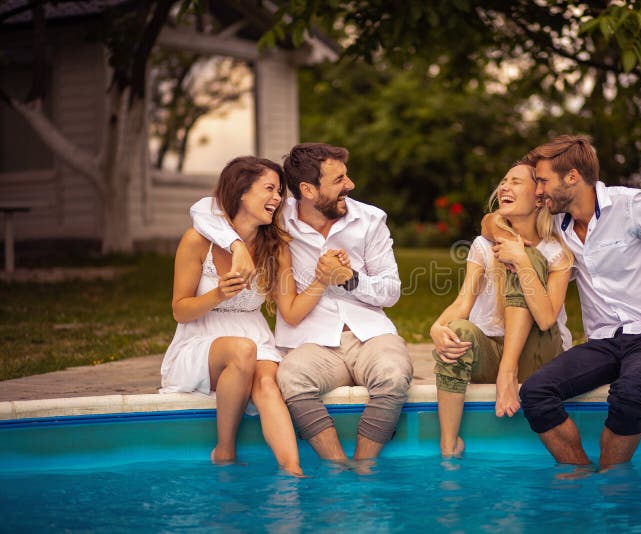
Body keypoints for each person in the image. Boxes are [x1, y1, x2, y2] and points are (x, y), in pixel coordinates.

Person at [190, 143, 413, 466]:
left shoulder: (370, 220)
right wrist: (236, 245)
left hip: (370, 335)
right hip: (311, 342)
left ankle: (365, 468)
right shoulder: (279, 219)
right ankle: (337, 467)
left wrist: (349, 278)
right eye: (339, 180)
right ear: (307, 190)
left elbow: (391, 290)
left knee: (394, 374)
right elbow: (203, 208)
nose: (349, 185)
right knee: (291, 378)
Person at [509, 134, 641, 469]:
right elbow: (499, 216)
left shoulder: (633, 206)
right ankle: (582, 474)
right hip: (603, 345)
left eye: (542, 181)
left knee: (629, 393)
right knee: (535, 392)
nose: (538, 191)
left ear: (572, 176)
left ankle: (611, 486)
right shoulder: (557, 224)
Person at [161, 156, 337, 475]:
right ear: (242, 191)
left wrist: (322, 280)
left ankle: (293, 472)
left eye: (280, 191)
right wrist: (218, 294)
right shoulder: (196, 240)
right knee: (242, 351)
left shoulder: (275, 247)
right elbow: (180, 310)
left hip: (254, 334)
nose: (277, 198)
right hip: (201, 338)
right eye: (269, 188)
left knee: (267, 384)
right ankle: (224, 451)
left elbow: (291, 310)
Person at [430, 161, 573, 456]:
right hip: (493, 351)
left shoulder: (555, 252)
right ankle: (449, 446)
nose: (504, 186)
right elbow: (463, 302)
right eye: (504, 181)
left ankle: (507, 374)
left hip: (539, 355)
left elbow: (547, 319)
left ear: (538, 196)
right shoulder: (483, 246)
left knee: (527, 259)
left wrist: (521, 261)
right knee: (456, 332)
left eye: (516, 182)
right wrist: (436, 328)